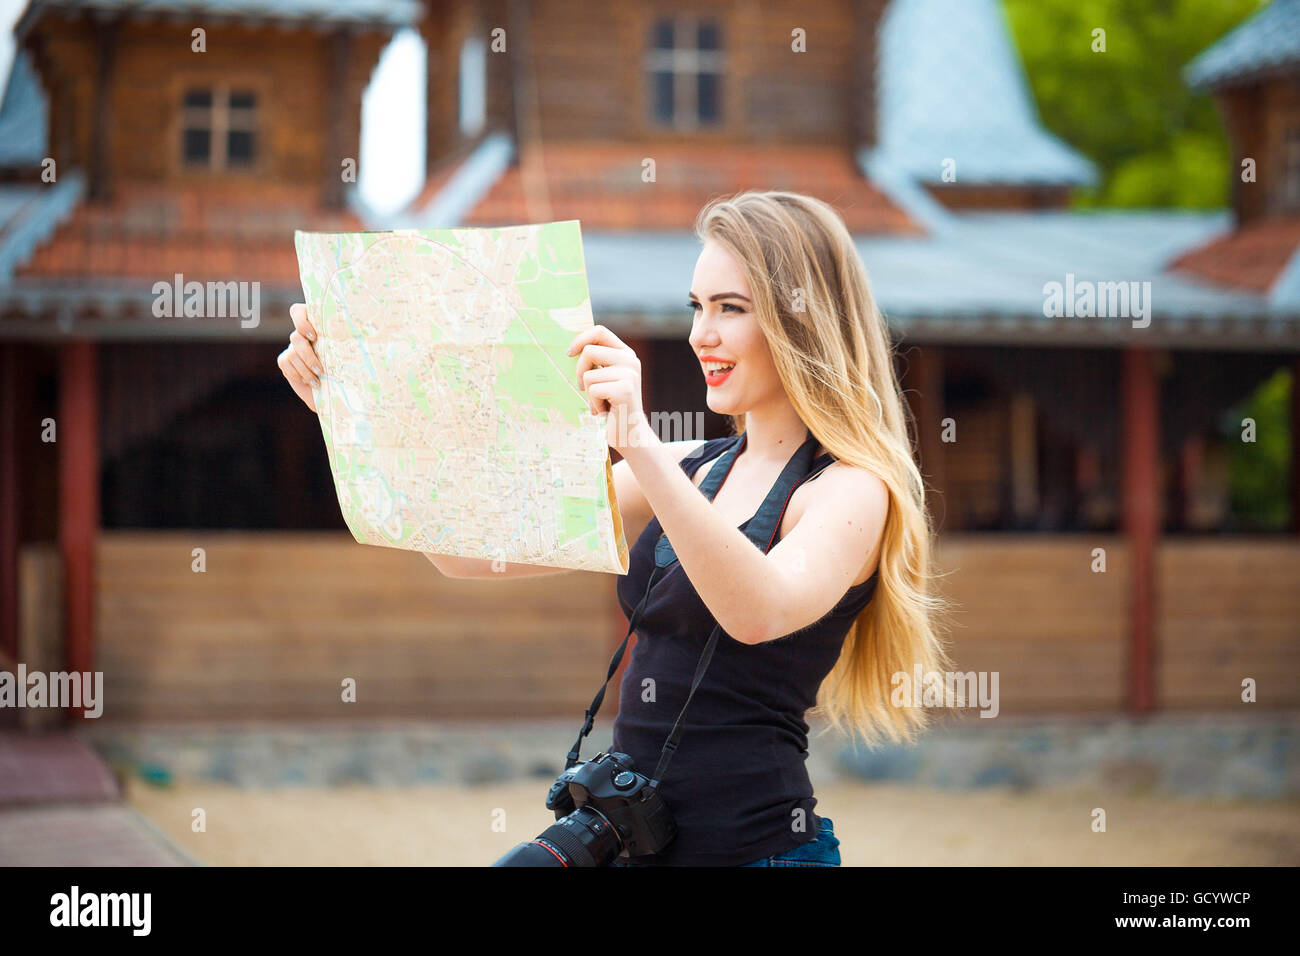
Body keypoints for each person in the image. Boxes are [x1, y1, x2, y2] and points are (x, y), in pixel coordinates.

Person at [278, 189, 952, 867]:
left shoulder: (850, 489)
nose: (701, 334)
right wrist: (357, 408)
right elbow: (473, 553)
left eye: (731, 308)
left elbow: (756, 611)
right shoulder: (690, 469)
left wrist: (638, 443)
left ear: (802, 322)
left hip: (762, 854)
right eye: (697, 307)